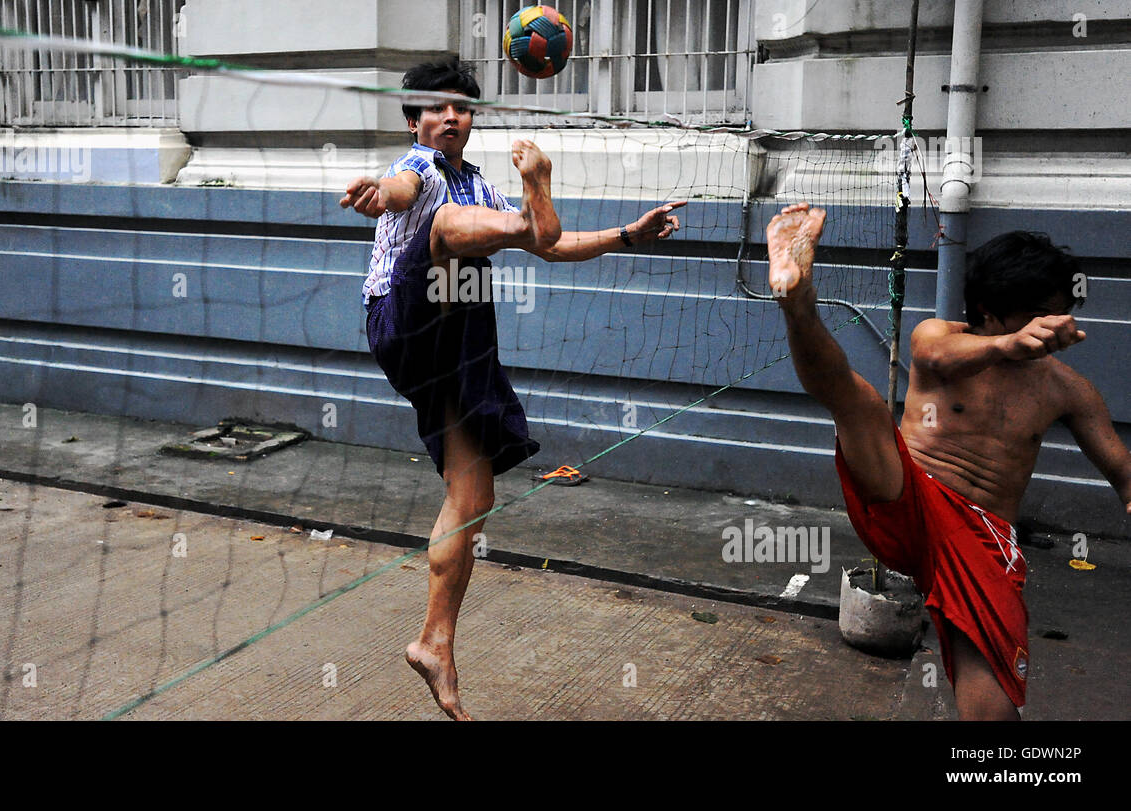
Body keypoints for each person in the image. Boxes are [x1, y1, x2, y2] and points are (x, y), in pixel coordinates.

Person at [340, 57, 683, 719]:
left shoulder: (480, 187)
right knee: (446, 226)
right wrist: (380, 195)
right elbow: (403, 191)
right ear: (415, 120)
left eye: (462, 108)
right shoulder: (420, 168)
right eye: (435, 108)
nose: (450, 117)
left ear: (472, 119)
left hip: (456, 339)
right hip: (406, 315)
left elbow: (555, 247)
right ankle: (533, 219)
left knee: (473, 495)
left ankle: (434, 641)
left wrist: (627, 235)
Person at [768, 206, 1131, 720]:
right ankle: (797, 302)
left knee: (994, 712)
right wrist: (1007, 345)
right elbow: (937, 357)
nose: (1052, 326)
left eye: (1058, 311)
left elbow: (1123, 472)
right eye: (1038, 315)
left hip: (982, 541)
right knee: (860, 403)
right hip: (909, 498)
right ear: (987, 310)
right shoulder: (938, 337)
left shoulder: (1067, 389)